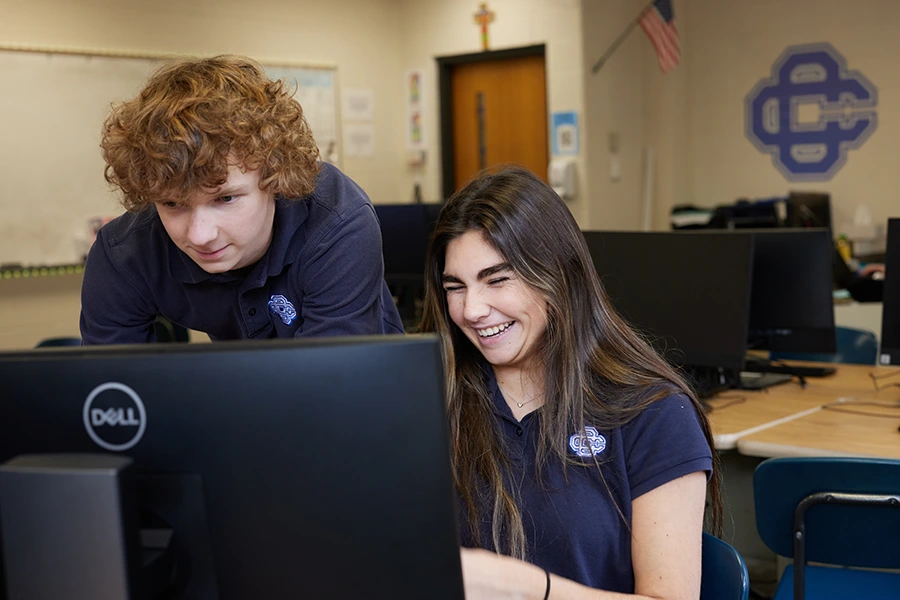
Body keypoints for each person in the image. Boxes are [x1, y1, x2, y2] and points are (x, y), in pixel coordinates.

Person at [419, 166, 723, 599]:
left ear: (557, 274)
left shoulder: (653, 412)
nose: (472, 309)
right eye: (455, 287)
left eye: (497, 279)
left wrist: (527, 588)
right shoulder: (434, 398)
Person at [80, 55, 403, 344]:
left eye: (226, 198)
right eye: (173, 204)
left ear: (275, 174)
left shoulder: (338, 224)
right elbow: (111, 394)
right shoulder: (124, 252)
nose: (200, 235)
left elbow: (334, 386)